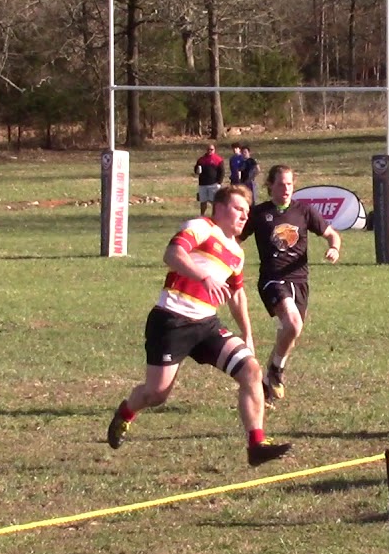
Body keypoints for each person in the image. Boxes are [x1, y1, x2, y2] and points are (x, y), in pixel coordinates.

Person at [106, 184, 291, 467]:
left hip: (206, 324)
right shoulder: (202, 227)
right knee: (156, 394)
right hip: (171, 320)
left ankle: (256, 444)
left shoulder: (237, 253)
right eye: (238, 209)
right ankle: (127, 412)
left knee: (251, 370)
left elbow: (236, 294)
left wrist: (248, 334)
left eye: (246, 211)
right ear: (219, 208)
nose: (244, 216)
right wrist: (203, 276)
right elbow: (172, 254)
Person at [240, 165, 341, 407]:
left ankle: (269, 376)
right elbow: (235, 238)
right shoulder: (259, 214)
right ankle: (275, 369)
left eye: (289, 184)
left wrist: (334, 247)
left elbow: (332, 234)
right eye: (281, 184)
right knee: (293, 323)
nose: (286, 189)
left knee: (291, 331)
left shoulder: (304, 211)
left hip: (300, 281)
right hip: (272, 280)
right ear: (270, 186)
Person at [194, 142, 225, 216]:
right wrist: (197, 170)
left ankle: (214, 216)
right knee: (203, 201)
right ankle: (202, 215)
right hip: (203, 184)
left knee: (213, 201)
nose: (210, 151)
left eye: (212, 149)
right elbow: (196, 170)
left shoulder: (218, 159)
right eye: (208, 149)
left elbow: (222, 172)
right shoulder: (201, 159)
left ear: (214, 150)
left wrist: (219, 183)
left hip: (213, 184)